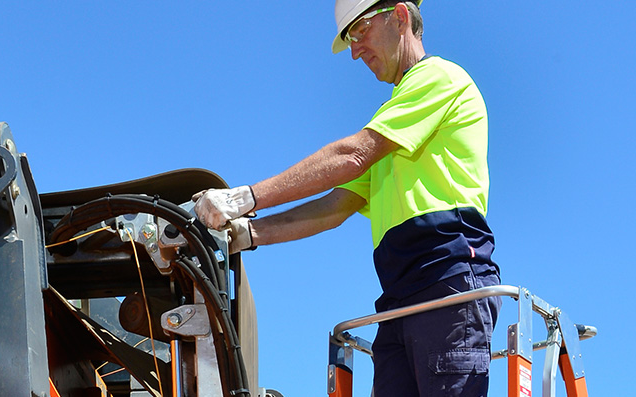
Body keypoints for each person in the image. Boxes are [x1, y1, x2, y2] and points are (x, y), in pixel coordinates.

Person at [194, 1, 500, 395]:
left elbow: (352, 155)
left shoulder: (439, 79)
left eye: (360, 32)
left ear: (401, 16)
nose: (355, 51)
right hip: (401, 299)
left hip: (448, 286)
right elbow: (335, 206)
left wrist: (245, 198)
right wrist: (248, 233)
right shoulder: (398, 122)